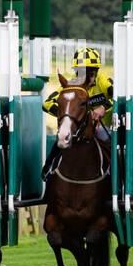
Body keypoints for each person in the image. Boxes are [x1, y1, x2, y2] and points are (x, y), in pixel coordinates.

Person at [41, 46, 113, 178]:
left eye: (90, 73)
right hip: (78, 128)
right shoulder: (72, 85)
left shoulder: (104, 82)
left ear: (96, 71)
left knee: (110, 140)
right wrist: (67, 114)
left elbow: (119, 98)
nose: (86, 78)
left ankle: (115, 178)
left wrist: (103, 108)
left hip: (103, 128)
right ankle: (49, 169)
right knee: (61, 136)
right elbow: (47, 103)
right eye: (81, 73)